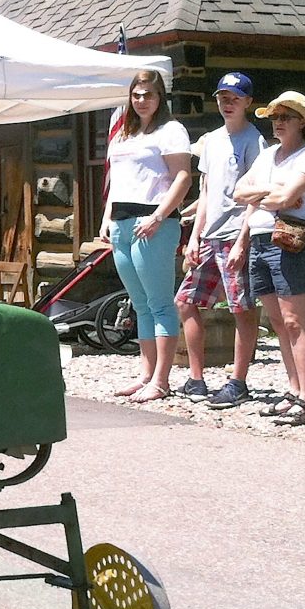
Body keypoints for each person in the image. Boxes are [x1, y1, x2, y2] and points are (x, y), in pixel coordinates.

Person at [174, 72, 266, 407]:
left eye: (235, 98)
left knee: (242, 308)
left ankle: (238, 382)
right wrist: (195, 236)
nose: (228, 104)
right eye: (223, 98)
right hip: (210, 235)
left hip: (235, 235)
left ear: (247, 103)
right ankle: (196, 379)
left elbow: (257, 196)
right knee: (185, 302)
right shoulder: (211, 140)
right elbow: (207, 191)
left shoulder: (255, 143)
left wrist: (244, 240)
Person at [100, 70, 192, 402]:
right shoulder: (123, 133)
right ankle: (146, 374)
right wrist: (106, 220)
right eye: (137, 95)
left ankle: (161, 380)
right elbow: (118, 181)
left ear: (160, 97)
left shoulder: (171, 130)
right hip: (122, 221)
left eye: (148, 95)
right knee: (139, 303)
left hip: (152, 219)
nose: (142, 101)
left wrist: (158, 216)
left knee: (159, 302)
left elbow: (183, 177)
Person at [233, 91, 305, 426]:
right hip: (260, 239)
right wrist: (276, 193)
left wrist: (270, 193)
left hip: (290, 241)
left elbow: (287, 196)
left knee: (296, 321)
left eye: (285, 117)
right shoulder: (269, 156)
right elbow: (239, 192)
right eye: (275, 117)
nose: (278, 123)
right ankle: (293, 389)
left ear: (302, 121)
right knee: (278, 323)